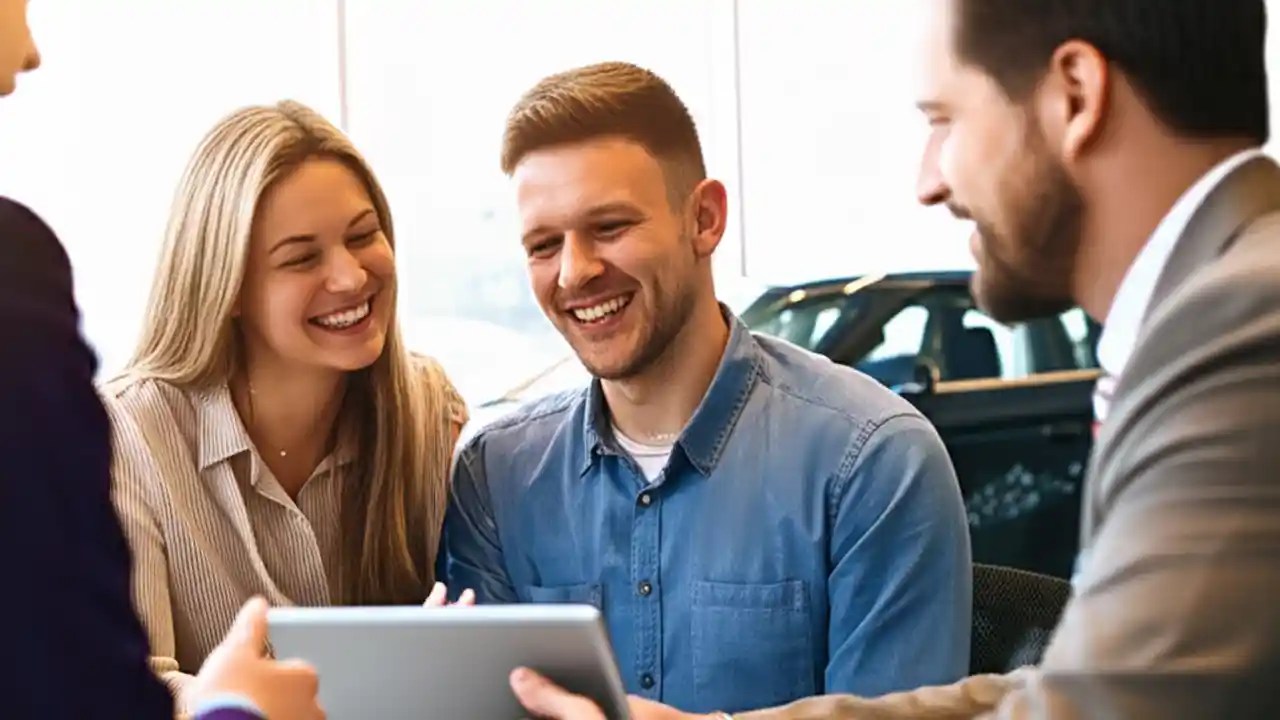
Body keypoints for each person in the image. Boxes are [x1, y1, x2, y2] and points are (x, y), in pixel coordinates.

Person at [505, 0, 1280, 718]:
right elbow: (1072, 687)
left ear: (1075, 94)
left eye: (946, 120)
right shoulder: (1220, 313)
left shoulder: (1242, 332)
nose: (929, 179)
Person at [444, 61, 972, 715]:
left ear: (705, 219)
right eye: (544, 244)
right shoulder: (495, 476)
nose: (574, 272)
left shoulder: (873, 462)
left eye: (609, 228)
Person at [0, 1, 323, 718]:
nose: (32, 55)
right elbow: (83, 688)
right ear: (225, 279)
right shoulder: (12, 277)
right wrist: (239, 710)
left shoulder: (428, 412)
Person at [101, 99, 472, 713]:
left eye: (363, 236)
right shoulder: (128, 436)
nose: (351, 277)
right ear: (228, 288)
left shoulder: (430, 411)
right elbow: (128, 688)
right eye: (302, 258)